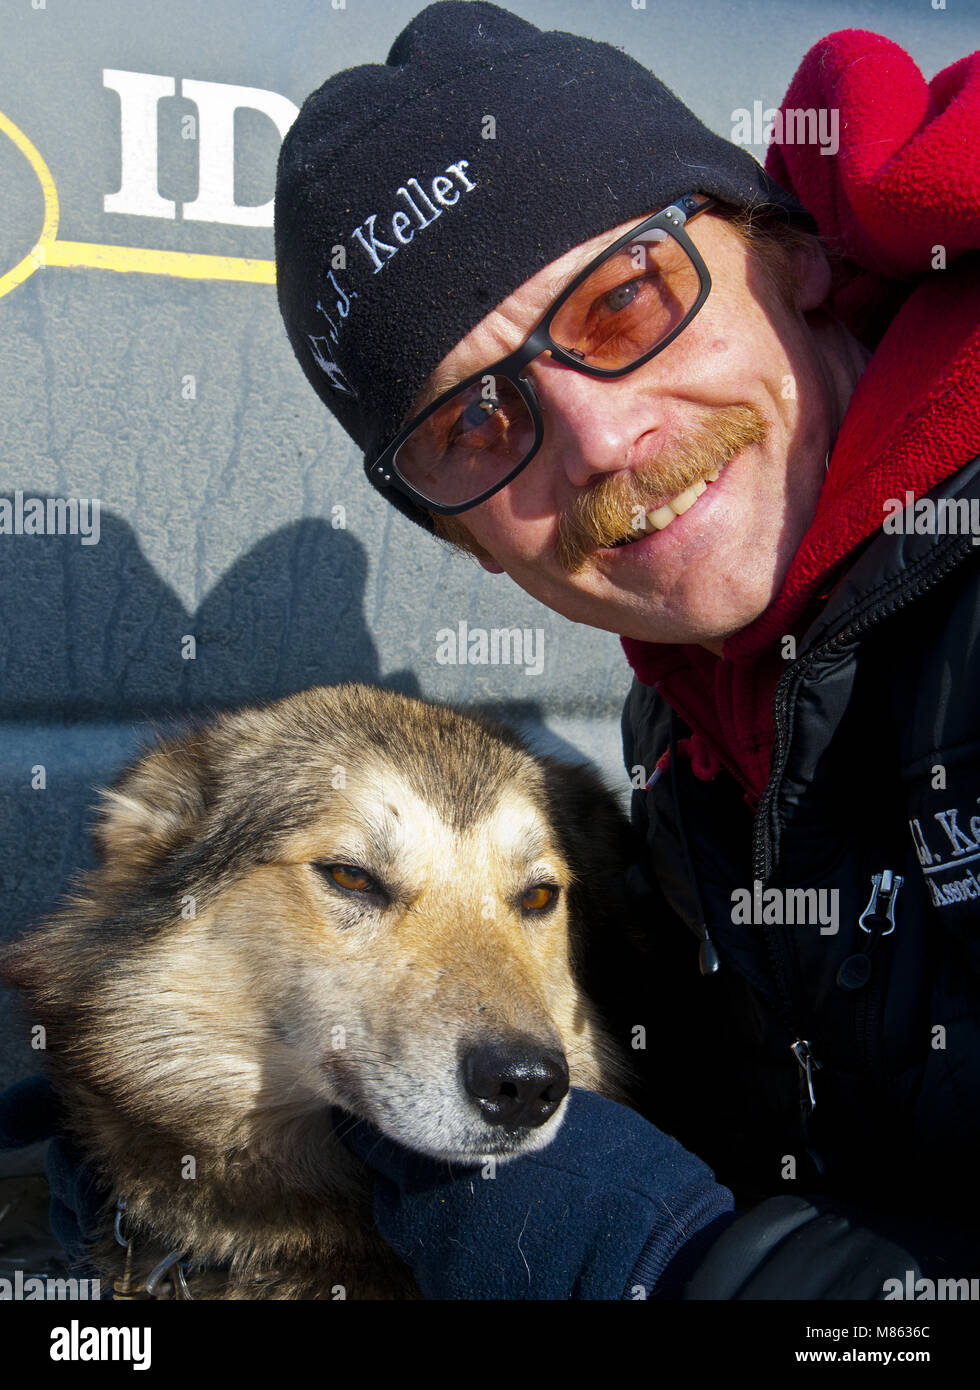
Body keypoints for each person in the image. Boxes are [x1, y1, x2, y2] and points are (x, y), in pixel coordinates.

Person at [4, 1, 978, 1300]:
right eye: (478, 422)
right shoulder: (701, 735)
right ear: (465, 542)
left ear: (787, 252)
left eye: (627, 302)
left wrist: (671, 1264)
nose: (599, 437)